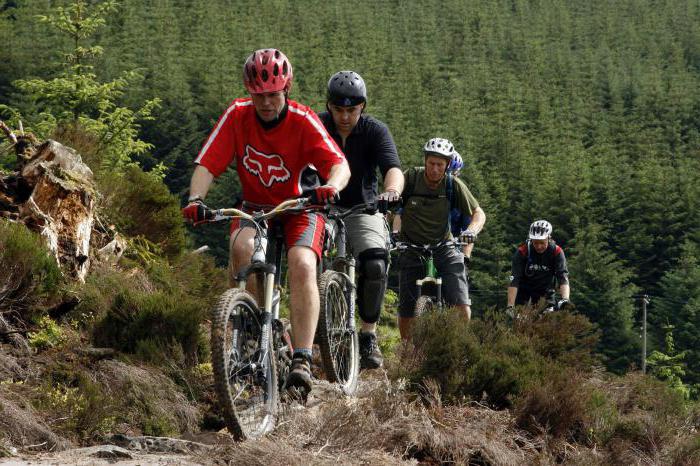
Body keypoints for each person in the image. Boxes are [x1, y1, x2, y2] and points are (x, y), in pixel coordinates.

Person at [182, 49, 350, 395]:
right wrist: (195, 200)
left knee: (302, 263)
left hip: (301, 207)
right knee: (241, 249)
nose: (266, 102)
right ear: (249, 92)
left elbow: (339, 164)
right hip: (256, 208)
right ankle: (253, 332)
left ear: (286, 89)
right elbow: (208, 165)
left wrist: (331, 186)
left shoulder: (303, 120)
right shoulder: (237, 115)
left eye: (273, 94)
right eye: (259, 95)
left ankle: (302, 356)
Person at [318, 70, 404, 369]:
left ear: (362, 107)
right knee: (305, 254)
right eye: (338, 109)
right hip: (321, 207)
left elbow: (392, 167)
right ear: (329, 106)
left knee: (375, 264)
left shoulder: (375, 131)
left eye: (351, 110)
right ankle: (313, 322)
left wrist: (391, 191)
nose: (344, 117)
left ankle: (367, 334)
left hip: (363, 207)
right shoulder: (315, 126)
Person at [393, 138, 486, 340]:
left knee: (461, 302)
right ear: (425, 161)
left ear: (447, 165)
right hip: (412, 247)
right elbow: (394, 202)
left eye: (440, 165)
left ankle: (461, 344)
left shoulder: (453, 184)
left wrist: (472, 230)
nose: (435, 169)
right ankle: (408, 354)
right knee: (407, 309)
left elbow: (479, 213)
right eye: (431, 163)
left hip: (445, 246)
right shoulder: (410, 178)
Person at [506, 220, 570, 314]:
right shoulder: (522, 252)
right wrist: (510, 306)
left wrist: (565, 299)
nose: (539, 246)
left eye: (542, 242)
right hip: (523, 290)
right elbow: (514, 279)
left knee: (546, 323)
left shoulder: (556, 251)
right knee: (520, 321)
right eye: (535, 243)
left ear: (549, 238)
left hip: (545, 291)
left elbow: (562, 276)